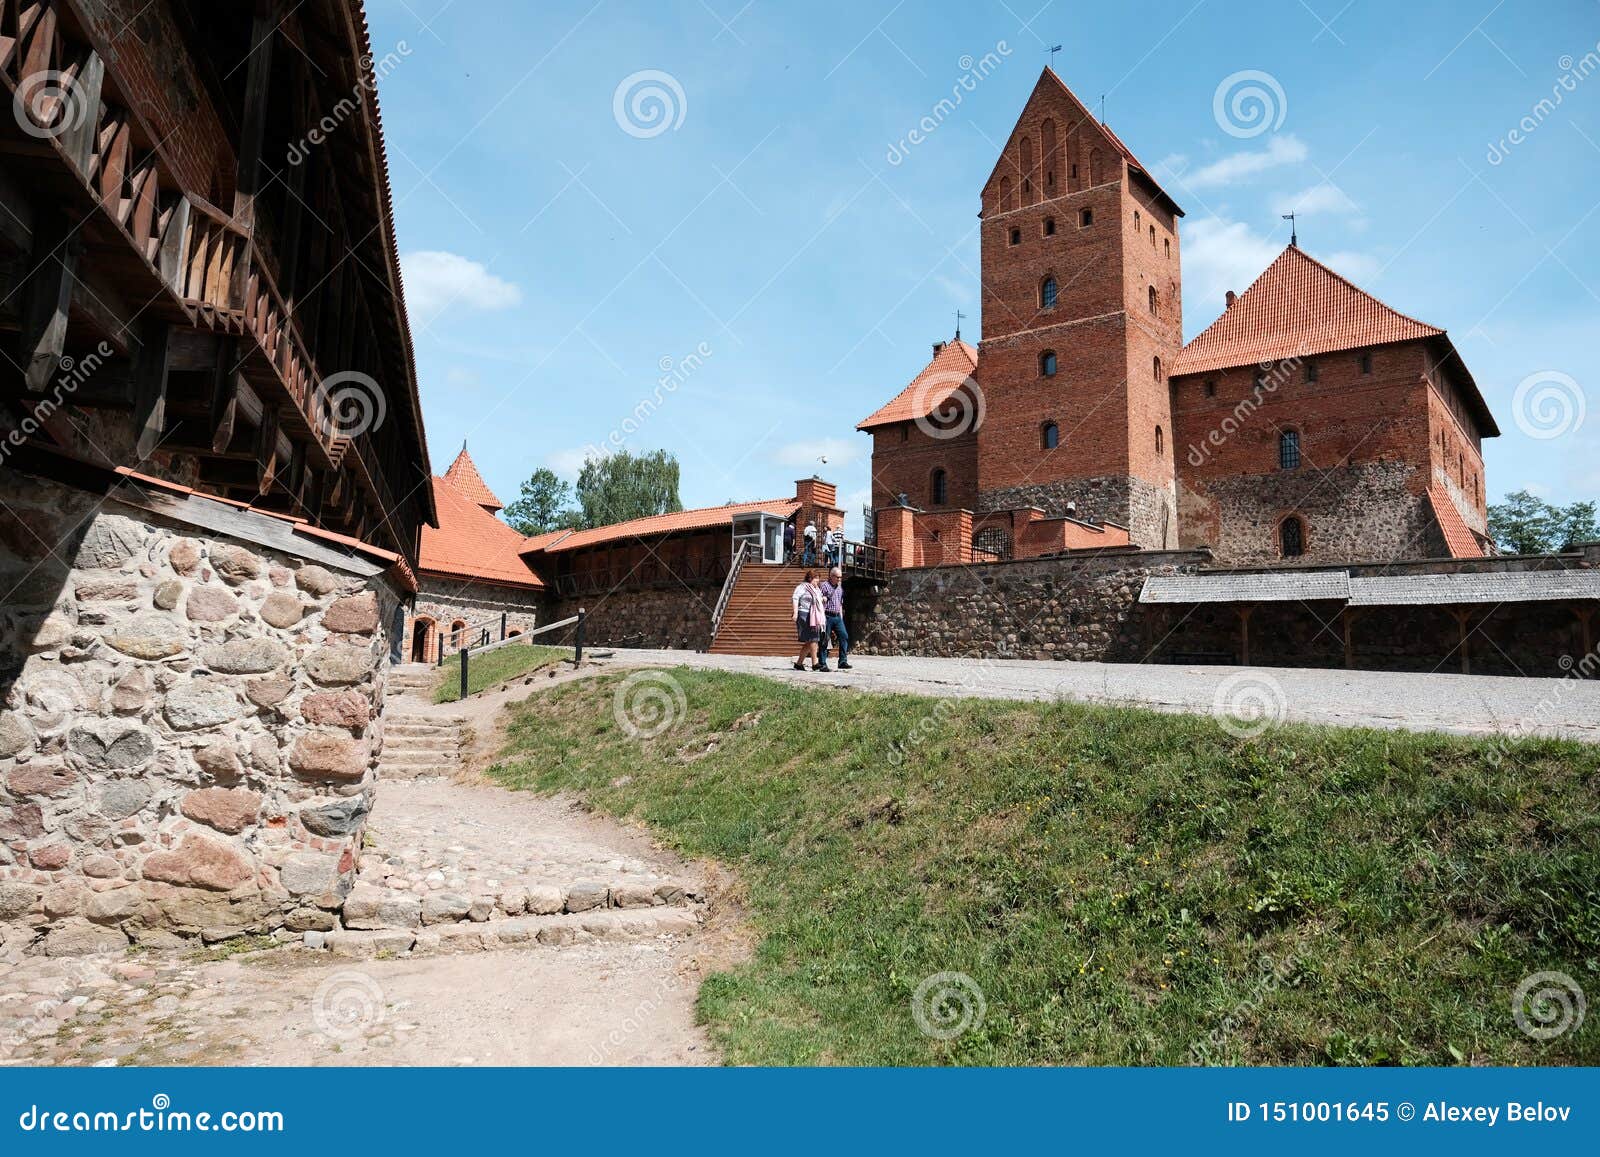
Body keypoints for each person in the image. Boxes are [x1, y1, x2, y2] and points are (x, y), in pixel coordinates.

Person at [817, 566, 851, 671]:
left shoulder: (839, 588)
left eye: (841, 577)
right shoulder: (824, 586)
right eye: (838, 577)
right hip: (827, 615)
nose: (839, 579)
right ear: (831, 576)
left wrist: (840, 616)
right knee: (824, 639)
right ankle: (822, 663)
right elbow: (818, 600)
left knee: (844, 636)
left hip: (837, 617)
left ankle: (842, 661)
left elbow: (840, 603)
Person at [792, 570, 823, 671]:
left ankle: (799, 663)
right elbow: (795, 598)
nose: (817, 580)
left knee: (810, 640)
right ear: (810, 578)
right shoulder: (802, 587)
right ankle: (815, 663)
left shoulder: (817, 589)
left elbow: (819, 600)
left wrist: (824, 599)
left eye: (818, 578)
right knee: (813, 638)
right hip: (804, 614)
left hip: (815, 616)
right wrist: (795, 613)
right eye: (816, 578)